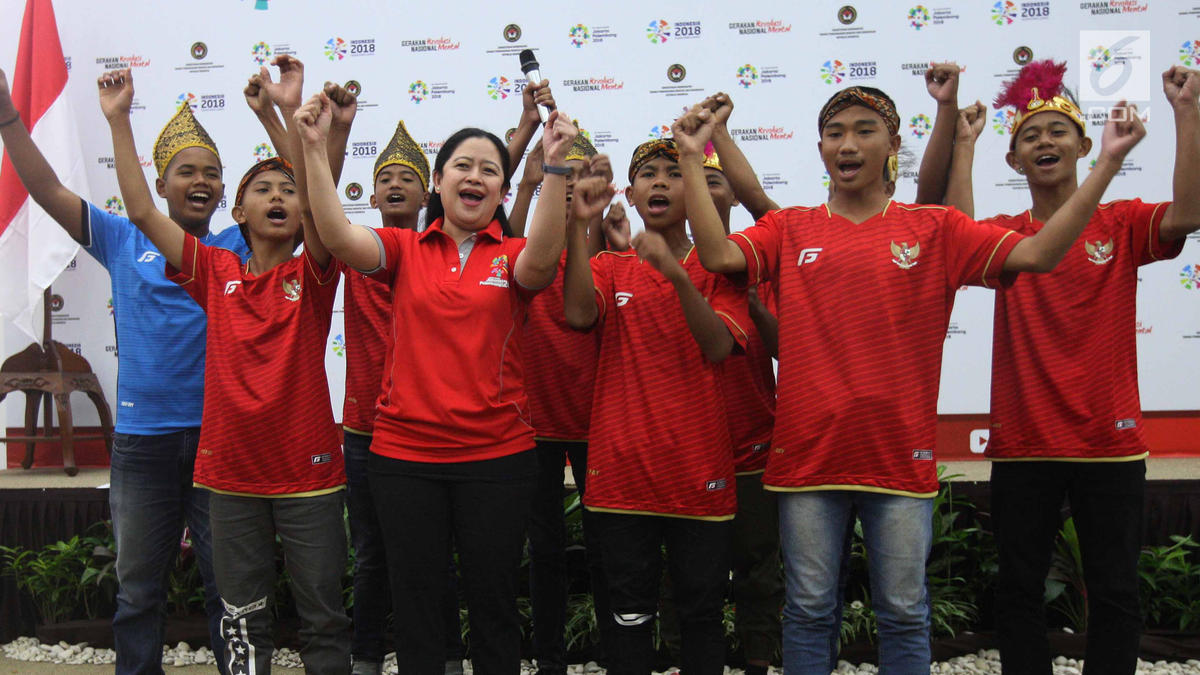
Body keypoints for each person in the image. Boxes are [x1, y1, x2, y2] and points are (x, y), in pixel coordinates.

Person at [673, 79, 1145, 673]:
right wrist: (693, 156)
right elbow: (717, 256)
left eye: (864, 131)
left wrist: (1107, 163)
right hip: (807, 463)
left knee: (902, 611)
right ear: (821, 148)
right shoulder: (790, 228)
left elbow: (1039, 254)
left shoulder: (936, 228)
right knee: (810, 610)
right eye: (835, 132)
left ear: (892, 143)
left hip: (899, 462)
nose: (848, 143)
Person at [299, 87, 576, 673]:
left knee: (494, 604)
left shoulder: (514, 255)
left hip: (497, 459)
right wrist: (313, 145)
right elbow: (335, 233)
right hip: (403, 458)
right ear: (440, 183)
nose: (475, 177)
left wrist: (552, 166)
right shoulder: (404, 249)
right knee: (418, 607)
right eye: (462, 166)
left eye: (489, 171)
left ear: (502, 191)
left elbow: (547, 256)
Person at [941, 60, 1199, 675]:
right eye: (1030, 136)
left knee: (1113, 589)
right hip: (1024, 443)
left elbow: (1187, 216)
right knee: (1018, 589)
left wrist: (1187, 113)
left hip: (1107, 444)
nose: (1045, 142)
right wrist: (965, 148)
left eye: (1058, 131)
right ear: (1016, 162)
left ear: (1086, 146)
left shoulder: (1121, 221)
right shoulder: (1008, 235)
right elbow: (956, 237)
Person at [99, 58, 353, 675]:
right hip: (230, 478)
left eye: (289, 192)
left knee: (322, 616)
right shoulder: (214, 272)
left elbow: (321, 197)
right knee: (242, 619)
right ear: (237, 216)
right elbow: (140, 212)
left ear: (305, 215)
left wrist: (288, 116)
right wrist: (118, 123)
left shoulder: (314, 273)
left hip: (309, 475)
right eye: (261, 190)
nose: (277, 198)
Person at [0, 66, 234, 675]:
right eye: (186, 170)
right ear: (159, 184)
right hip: (141, 445)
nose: (200, 180)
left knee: (227, 592)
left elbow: (309, 213)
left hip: (220, 444)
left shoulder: (239, 249)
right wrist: (7, 115)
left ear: (224, 190)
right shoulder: (122, 238)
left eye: (211, 172)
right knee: (137, 593)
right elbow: (48, 189)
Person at [561, 140, 753, 675]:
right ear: (632, 189)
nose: (662, 183)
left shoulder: (723, 265)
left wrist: (677, 275)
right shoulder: (611, 265)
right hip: (622, 478)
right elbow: (577, 314)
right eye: (648, 173)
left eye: (675, 172)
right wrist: (580, 224)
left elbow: (718, 347)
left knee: (701, 615)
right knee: (626, 617)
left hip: (700, 475)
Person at [655, 96, 783, 674]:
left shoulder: (769, 261)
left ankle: (758, 657)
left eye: (716, 179)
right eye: (693, 178)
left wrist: (755, 308)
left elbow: (789, 350)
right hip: (683, 446)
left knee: (758, 563)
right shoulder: (659, 262)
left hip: (753, 437)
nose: (707, 188)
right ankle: (686, 657)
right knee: (680, 569)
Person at [516, 125, 618, 674]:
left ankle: (614, 652)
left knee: (606, 548)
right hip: (533, 424)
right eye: (566, 177)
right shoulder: (528, 253)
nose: (574, 188)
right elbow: (509, 228)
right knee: (545, 550)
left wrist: (607, 230)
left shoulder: (610, 251)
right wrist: (534, 174)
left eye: (585, 179)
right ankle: (549, 659)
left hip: (597, 419)